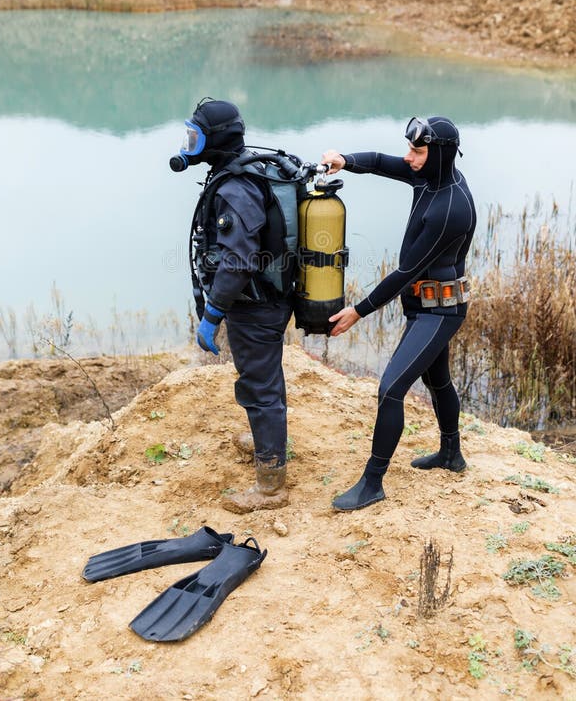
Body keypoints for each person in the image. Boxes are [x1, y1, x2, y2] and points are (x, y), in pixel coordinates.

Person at [321, 116, 476, 511]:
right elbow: (379, 160)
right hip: (426, 305)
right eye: (410, 149)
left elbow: (406, 271)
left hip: (441, 311)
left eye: (418, 152)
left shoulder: (450, 208)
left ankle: (373, 482)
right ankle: (450, 455)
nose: (409, 158)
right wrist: (344, 160)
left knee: (390, 388)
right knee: (437, 378)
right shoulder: (427, 177)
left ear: (439, 153)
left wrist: (358, 311)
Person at [174, 98, 292, 513]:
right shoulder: (241, 171)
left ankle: (271, 486)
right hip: (265, 300)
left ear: (216, 141)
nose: (189, 145)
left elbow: (239, 260)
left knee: (259, 388)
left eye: (196, 137)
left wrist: (212, 314)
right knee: (261, 380)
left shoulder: (235, 188)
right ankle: (267, 443)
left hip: (256, 305)